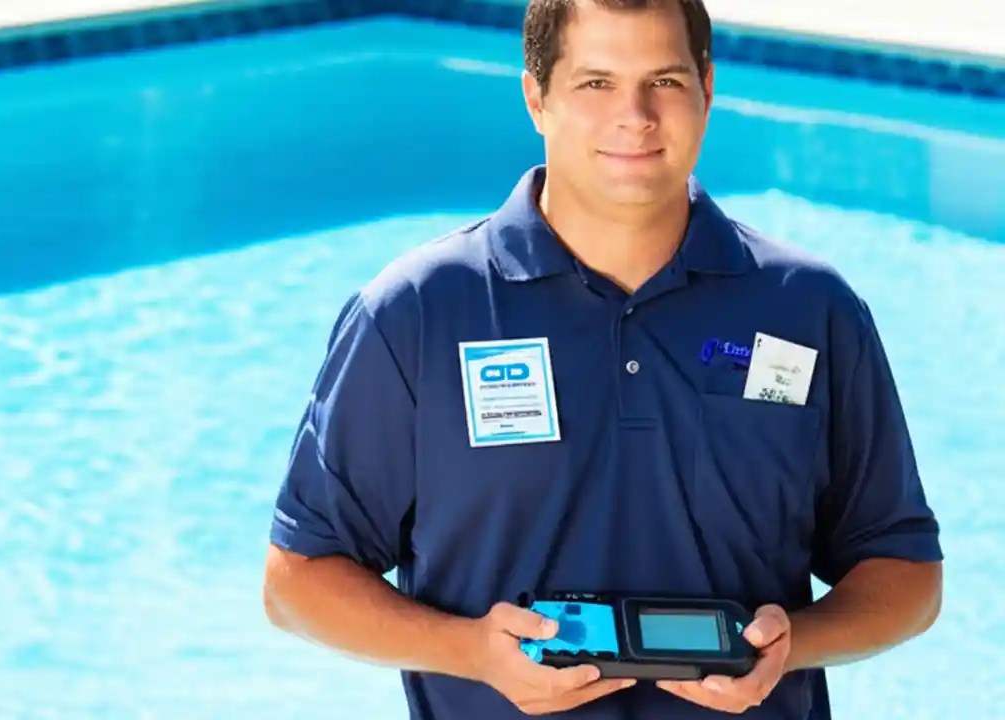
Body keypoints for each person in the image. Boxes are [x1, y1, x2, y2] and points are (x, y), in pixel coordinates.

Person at [261, 0, 944, 717]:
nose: (637, 117)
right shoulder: (417, 313)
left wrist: (792, 644)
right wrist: (471, 653)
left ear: (708, 89)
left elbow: (906, 574)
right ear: (537, 97)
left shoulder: (809, 309)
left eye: (666, 82)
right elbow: (298, 580)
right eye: (596, 83)